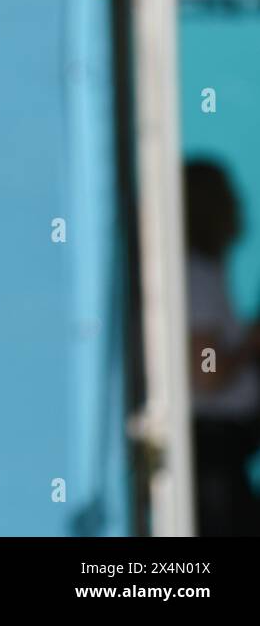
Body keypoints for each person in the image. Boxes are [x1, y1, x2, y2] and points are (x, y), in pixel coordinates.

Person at [184, 159, 260, 535]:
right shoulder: (194, 277)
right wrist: (250, 343)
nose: (239, 204)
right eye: (228, 195)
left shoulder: (208, 271)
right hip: (214, 456)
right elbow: (207, 374)